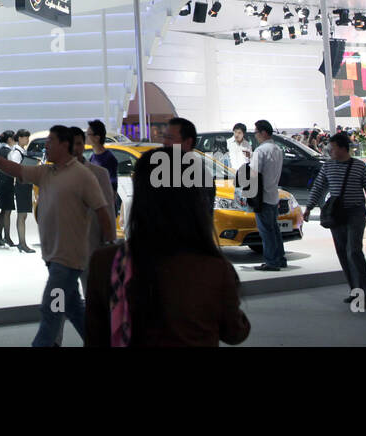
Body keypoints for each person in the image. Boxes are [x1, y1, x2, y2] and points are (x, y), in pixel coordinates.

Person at [86, 147, 250, 347]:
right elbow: (235, 332)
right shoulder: (214, 269)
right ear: (194, 200)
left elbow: (95, 337)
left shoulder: (105, 262)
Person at [0, 125, 115, 346]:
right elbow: (16, 170)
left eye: (51, 141)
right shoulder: (46, 172)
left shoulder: (84, 175)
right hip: (53, 258)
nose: (47, 145)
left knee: (51, 309)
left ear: (64, 145)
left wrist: (108, 248)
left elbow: (104, 212)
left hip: (70, 260)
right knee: (73, 308)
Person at [302, 131, 366, 307]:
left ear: (343, 148)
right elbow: (318, 187)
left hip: (355, 212)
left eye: (332, 148)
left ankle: (362, 292)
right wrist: (309, 207)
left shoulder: (359, 166)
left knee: (353, 251)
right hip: (336, 214)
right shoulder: (328, 166)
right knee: (342, 252)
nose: (330, 151)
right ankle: (354, 290)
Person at [246, 119, 286, 272]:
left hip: (261, 196)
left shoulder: (260, 151)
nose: (255, 135)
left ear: (263, 132)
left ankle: (271, 262)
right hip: (273, 194)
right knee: (274, 230)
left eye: (256, 132)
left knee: (266, 231)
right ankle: (280, 258)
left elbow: (254, 174)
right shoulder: (277, 149)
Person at [71, 127, 116, 246]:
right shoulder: (54, 174)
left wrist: (110, 240)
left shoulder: (100, 172)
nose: (75, 148)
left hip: (91, 244)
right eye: (71, 143)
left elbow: (108, 209)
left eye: (79, 143)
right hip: (63, 251)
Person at [9, 129, 36, 253]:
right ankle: (22, 243)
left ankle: (22, 242)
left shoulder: (21, 151)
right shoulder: (16, 152)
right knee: (22, 215)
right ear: (19, 138)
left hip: (25, 184)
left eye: (28, 137)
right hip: (21, 185)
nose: (27, 140)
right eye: (25, 137)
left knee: (23, 214)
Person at [87, 120, 120, 216]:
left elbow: (113, 187)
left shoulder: (109, 158)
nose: (86, 137)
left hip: (105, 207)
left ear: (97, 138)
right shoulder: (93, 156)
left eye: (88, 134)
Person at [0, 131, 16, 248]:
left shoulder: (0, 151)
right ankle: (7, 237)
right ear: (9, 139)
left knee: (3, 211)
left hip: (0, 182)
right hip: (7, 183)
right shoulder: (9, 152)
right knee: (7, 211)